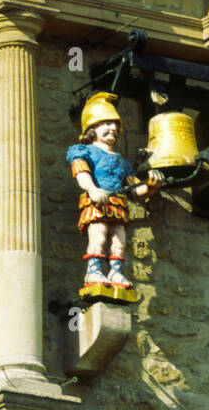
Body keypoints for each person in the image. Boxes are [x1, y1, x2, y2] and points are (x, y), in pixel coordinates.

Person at [67, 92, 163, 292]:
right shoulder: (84, 151)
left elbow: (135, 190)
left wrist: (151, 187)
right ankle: (93, 271)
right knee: (99, 236)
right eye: (106, 124)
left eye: (114, 125)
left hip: (117, 204)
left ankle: (115, 272)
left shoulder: (121, 161)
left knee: (119, 241)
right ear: (91, 128)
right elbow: (81, 171)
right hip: (97, 201)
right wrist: (93, 190)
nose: (112, 129)